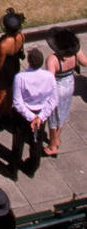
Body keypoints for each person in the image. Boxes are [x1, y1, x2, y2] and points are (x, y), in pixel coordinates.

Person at [10, 47, 59, 176]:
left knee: (18, 142)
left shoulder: (20, 77)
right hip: (40, 113)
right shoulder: (49, 76)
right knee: (36, 141)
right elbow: (54, 100)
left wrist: (32, 117)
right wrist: (40, 117)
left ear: (29, 62)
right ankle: (32, 168)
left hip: (24, 114)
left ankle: (13, 169)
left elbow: (17, 102)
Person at [44, 27, 87, 157]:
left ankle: (52, 145)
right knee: (63, 113)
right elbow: (85, 62)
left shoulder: (53, 59)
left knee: (52, 118)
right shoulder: (75, 53)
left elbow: (50, 79)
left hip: (57, 88)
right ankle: (57, 138)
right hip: (69, 85)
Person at [0, 10, 25, 132]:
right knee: (10, 91)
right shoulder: (21, 36)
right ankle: (8, 112)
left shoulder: (3, 44)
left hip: (4, 71)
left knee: (0, 96)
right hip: (15, 66)